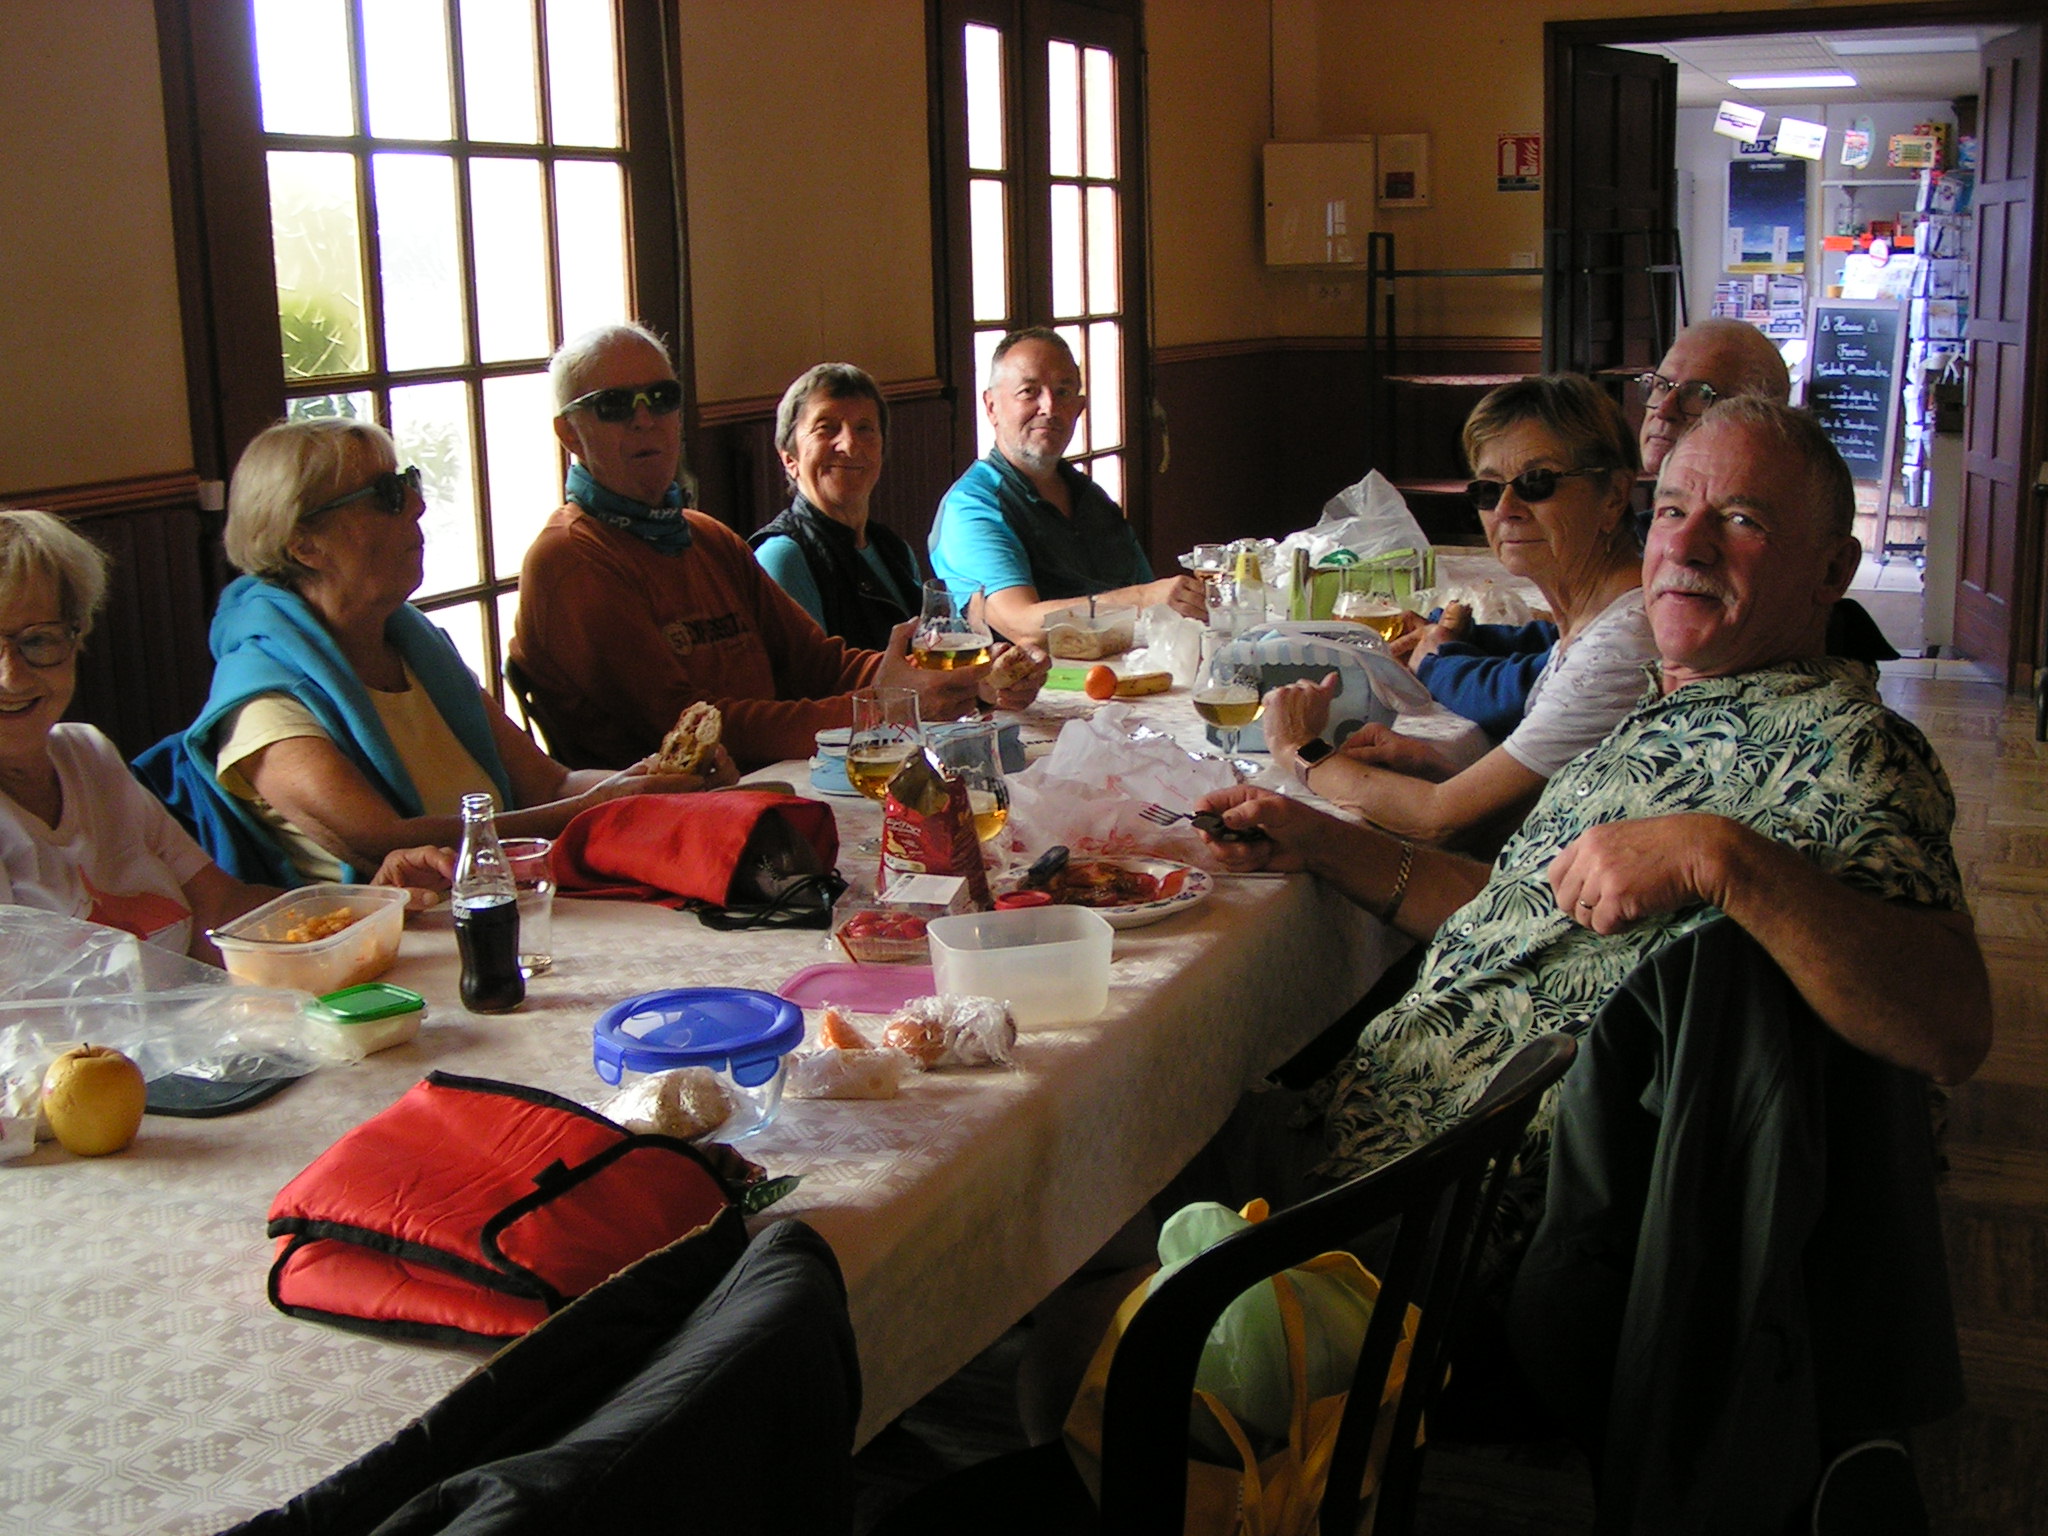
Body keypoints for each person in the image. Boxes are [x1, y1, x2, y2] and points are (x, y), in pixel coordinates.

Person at [1196, 397, 1987, 1529]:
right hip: (1363, 1130)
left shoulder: (1842, 746)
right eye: (1672, 509)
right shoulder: (1674, 709)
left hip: (1428, 1229)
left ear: (1831, 569)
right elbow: (1523, 913)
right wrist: (1321, 835)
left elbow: (1951, 1025)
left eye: (1742, 519)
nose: (1686, 543)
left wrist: (1720, 857)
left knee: (1075, 1194)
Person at [177, 419, 734, 888]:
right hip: (397, 965)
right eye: (387, 497)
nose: (418, 505)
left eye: (408, 482)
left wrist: (653, 779)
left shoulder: (412, 645)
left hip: (510, 906)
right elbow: (380, 844)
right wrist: (613, 803)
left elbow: (549, 785)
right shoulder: (262, 699)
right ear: (304, 543)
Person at [512, 324, 1044, 771]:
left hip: (776, 785)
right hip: (673, 822)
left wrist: (960, 680)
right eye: (613, 406)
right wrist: (884, 709)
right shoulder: (573, 560)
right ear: (570, 434)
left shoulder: (705, 537)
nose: (644, 418)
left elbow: (818, 663)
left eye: (662, 398)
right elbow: (689, 728)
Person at [0, 510, 446, 961]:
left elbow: (221, 907)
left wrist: (371, 907)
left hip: (192, 1024)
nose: (11, 677)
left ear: (77, 638)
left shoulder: (88, 757)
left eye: (38, 642)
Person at [1261, 375, 1655, 850]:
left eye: (1537, 482)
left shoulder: (1624, 639)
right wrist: (1436, 768)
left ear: (1613, 495)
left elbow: (1437, 819)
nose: (1506, 508)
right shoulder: (1592, 620)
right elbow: (1557, 810)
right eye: (1489, 489)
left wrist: (1298, 749)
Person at [1407, 319, 1799, 729]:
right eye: (1661, 386)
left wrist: (1442, 664)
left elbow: (1599, 667)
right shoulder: (1648, 531)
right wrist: (1469, 637)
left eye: (1698, 395)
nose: (1664, 410)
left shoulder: (1721, 555)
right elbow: (1572, 643)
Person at [927, 328, 1206, 647]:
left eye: (1063, 392)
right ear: (991, 406)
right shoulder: (972, 506)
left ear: (1079, 407)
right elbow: (1021, 624)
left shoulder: (1090, 497)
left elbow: (1157, 614)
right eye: (1029, 392)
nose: (1049, 407)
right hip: (1025, 691)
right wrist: (1142, 599)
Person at [748, 363, 924, 650]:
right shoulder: (783, 557)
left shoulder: (894, 549)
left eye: (864, 428)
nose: (850, 445)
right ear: (789, 459)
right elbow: (810, 684)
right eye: (826, 428)